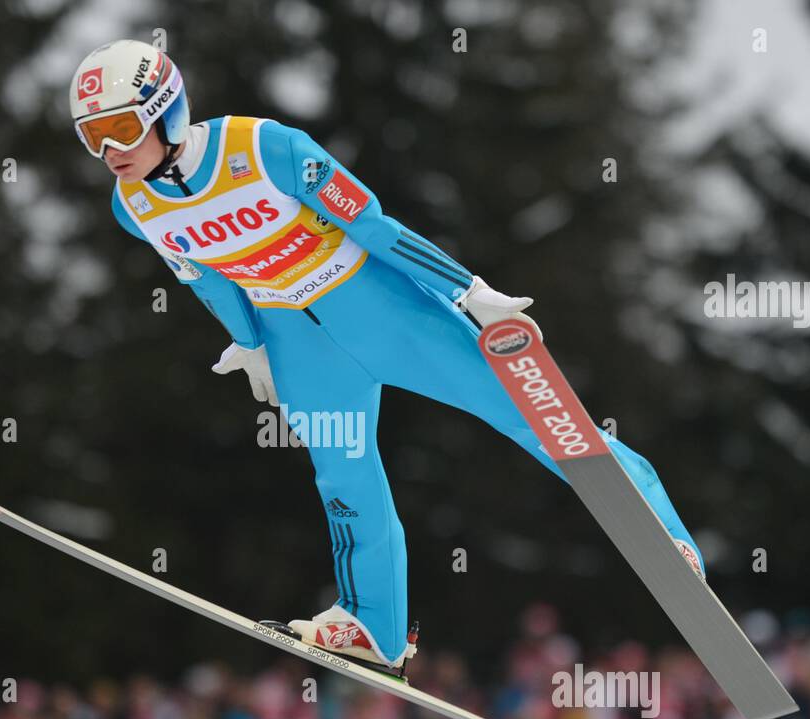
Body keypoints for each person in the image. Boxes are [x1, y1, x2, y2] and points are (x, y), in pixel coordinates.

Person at [71, 39, 703, 674]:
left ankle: (656, 526)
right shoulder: (135, 208)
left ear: (167, 111)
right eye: (92, 137)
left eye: (121, 129)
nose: (110, 152)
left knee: (522, 409)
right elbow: (207, 278)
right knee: (343, 478)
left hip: (378, 308)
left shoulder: (264, 149)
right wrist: (251, 343)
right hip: (299, 340)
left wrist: (467, 289)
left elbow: (372, 224)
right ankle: (375, 624)